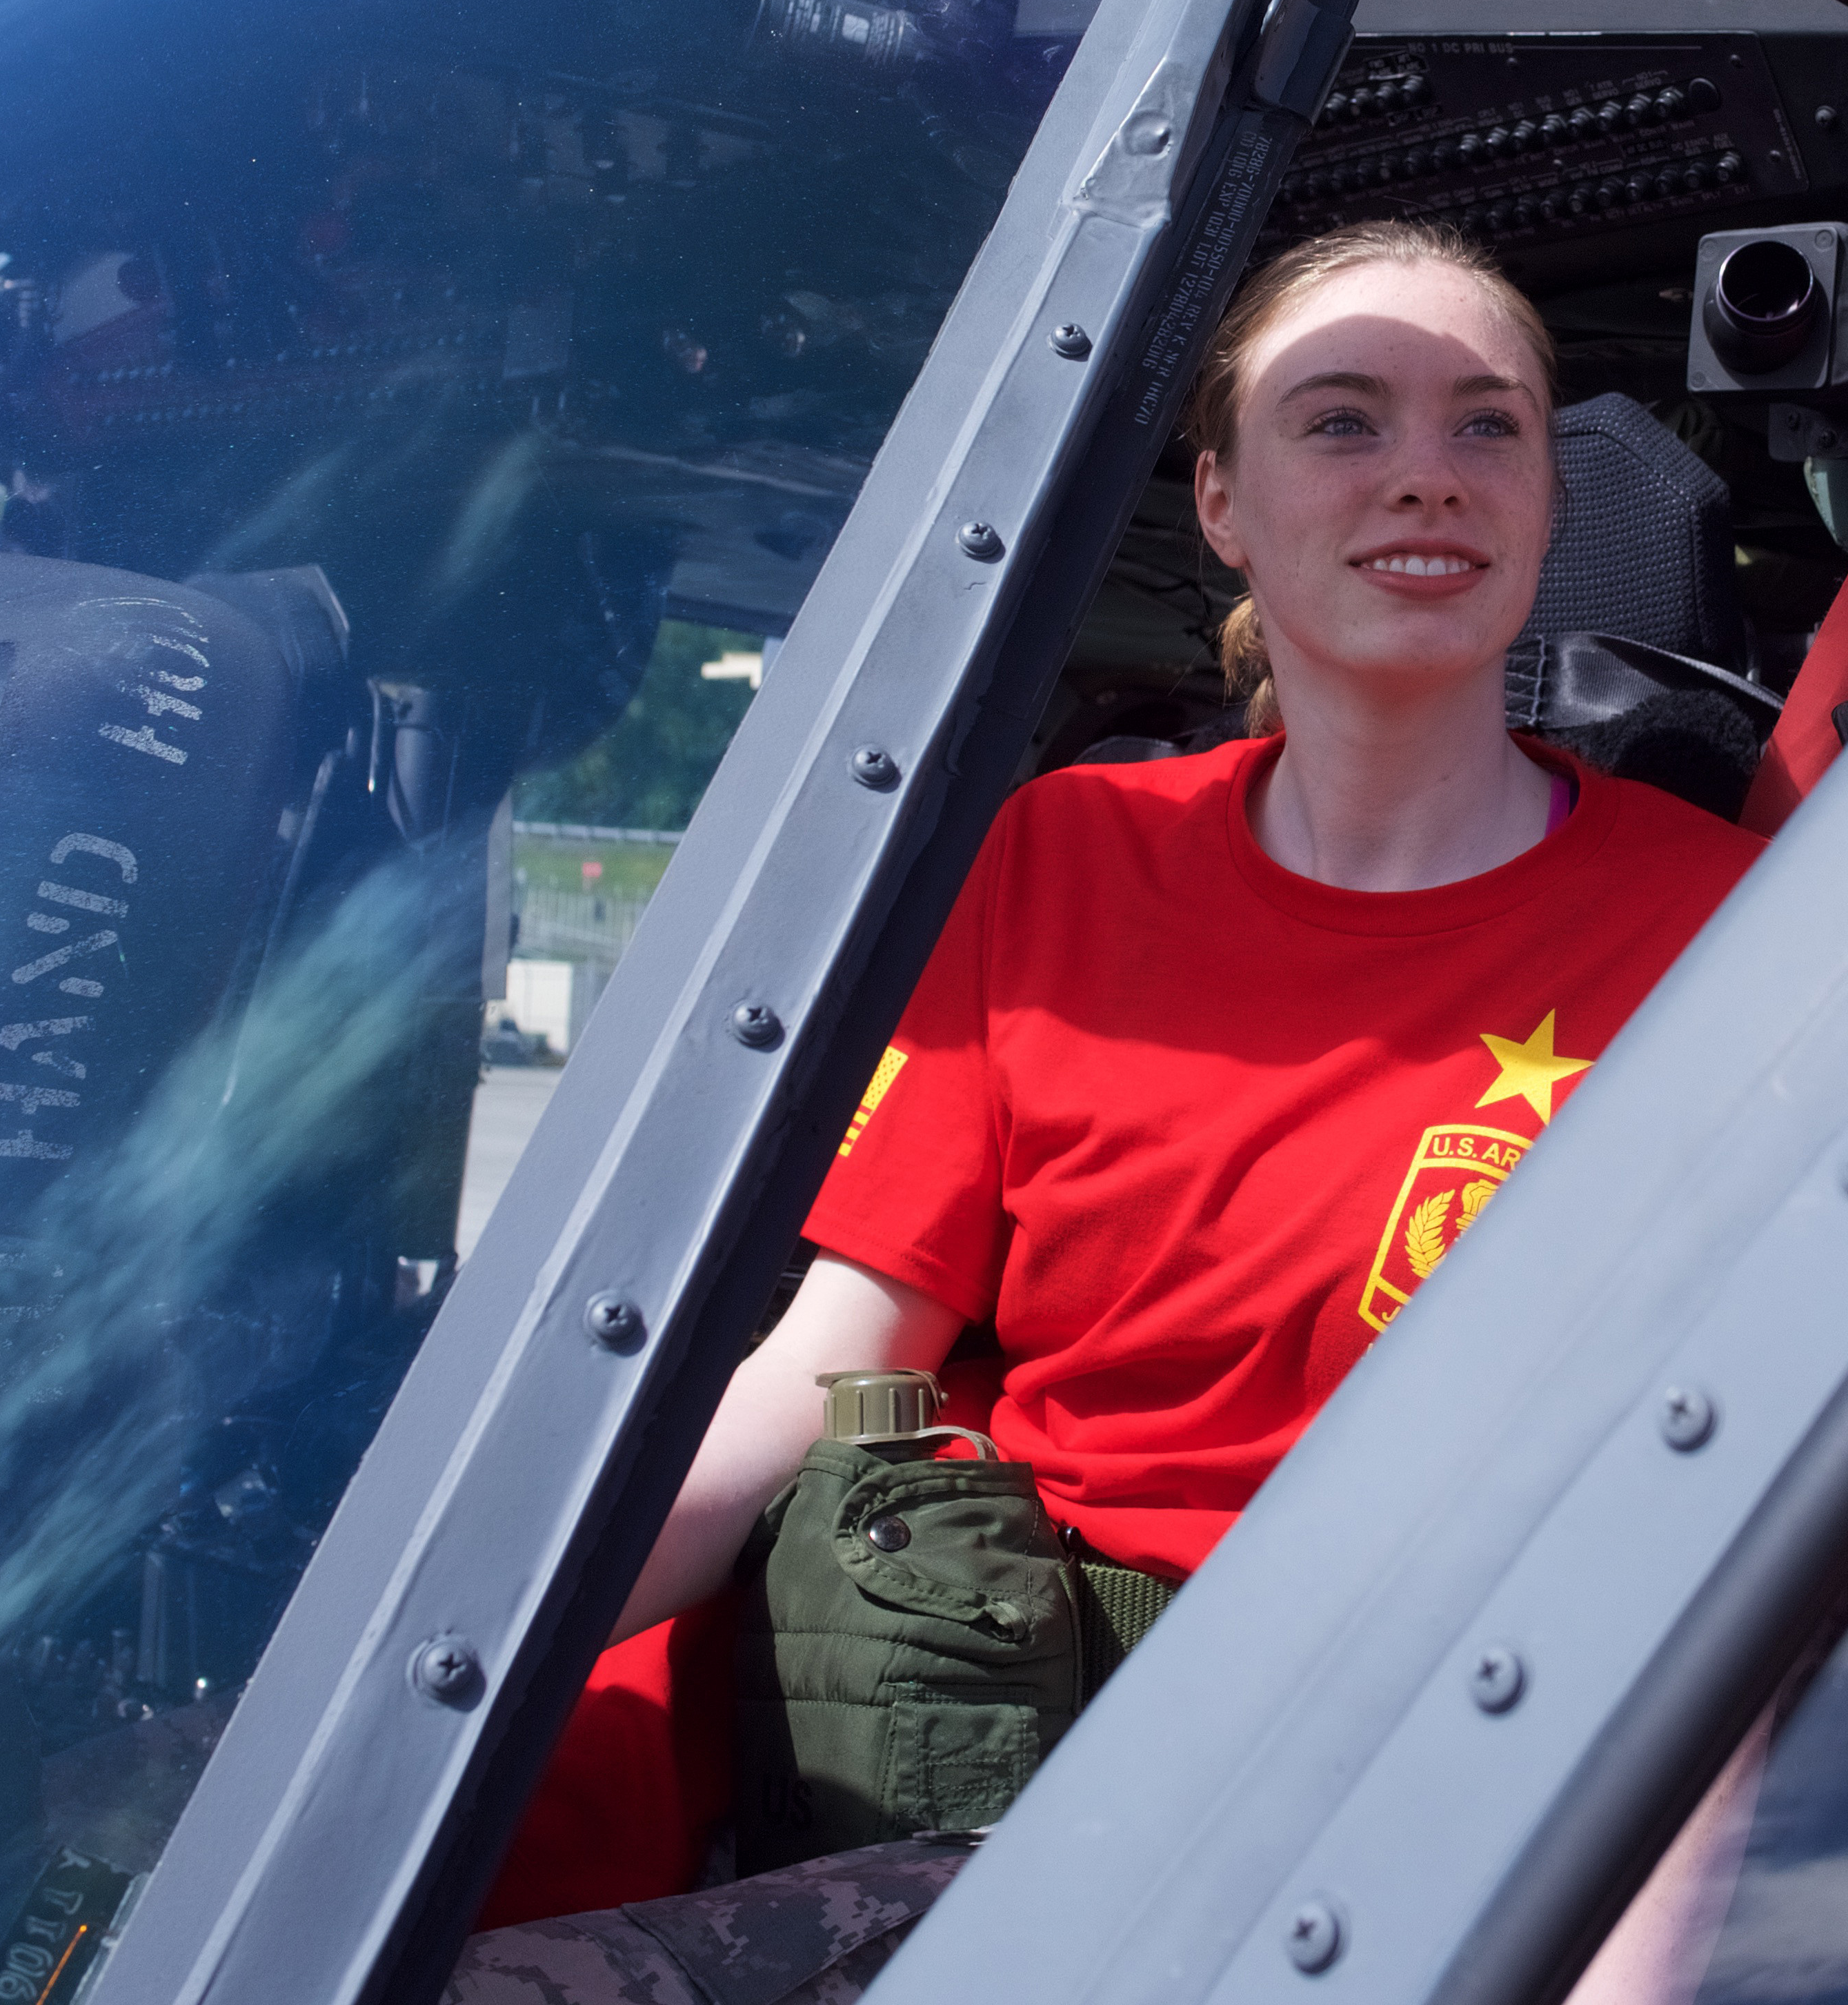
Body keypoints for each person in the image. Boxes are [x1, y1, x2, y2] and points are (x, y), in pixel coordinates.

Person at [615, 216, 1762, 1639]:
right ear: (1220, 504)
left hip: (1465, 1697)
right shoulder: (1061, 856)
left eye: (1489, 426)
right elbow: (836, 1369)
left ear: (1547, 499)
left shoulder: (1735, 923)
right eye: (1342, 421)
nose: (1428, 476)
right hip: (1016, 1691)